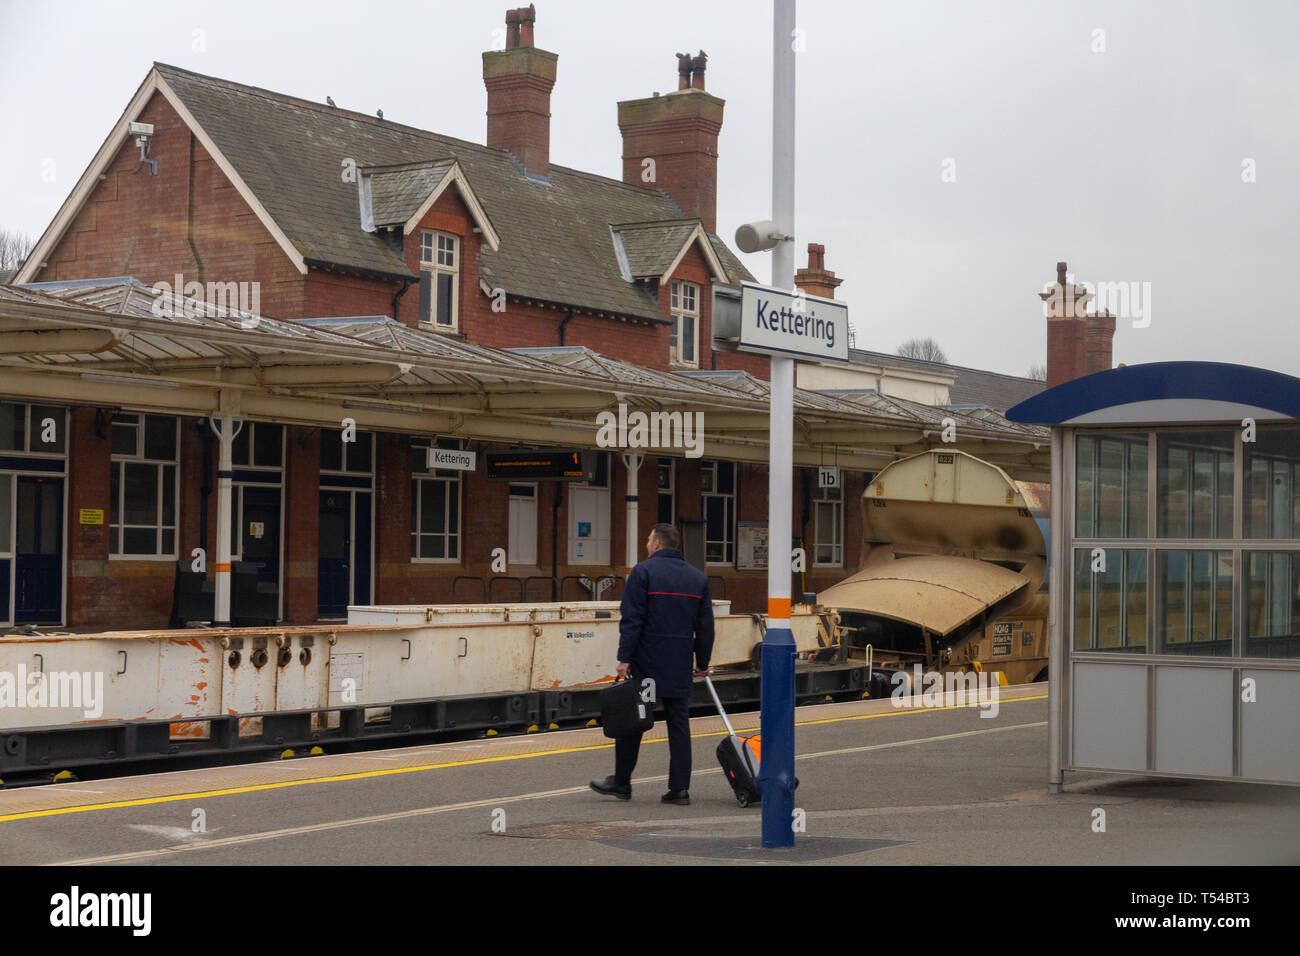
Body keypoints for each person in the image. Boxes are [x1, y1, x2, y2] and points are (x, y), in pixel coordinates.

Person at [590, 522, 714, 805]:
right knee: (679, 726)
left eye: (648, 540)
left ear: (657, 544)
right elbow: (706, 626)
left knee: (632, 721)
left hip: (647, 665)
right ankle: (679, 789)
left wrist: (624, 658)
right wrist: (703, 661)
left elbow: (632, 620)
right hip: (679, 664)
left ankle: (622, 783)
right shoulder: (697, 579)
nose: (646, 545)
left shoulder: (643, 572)